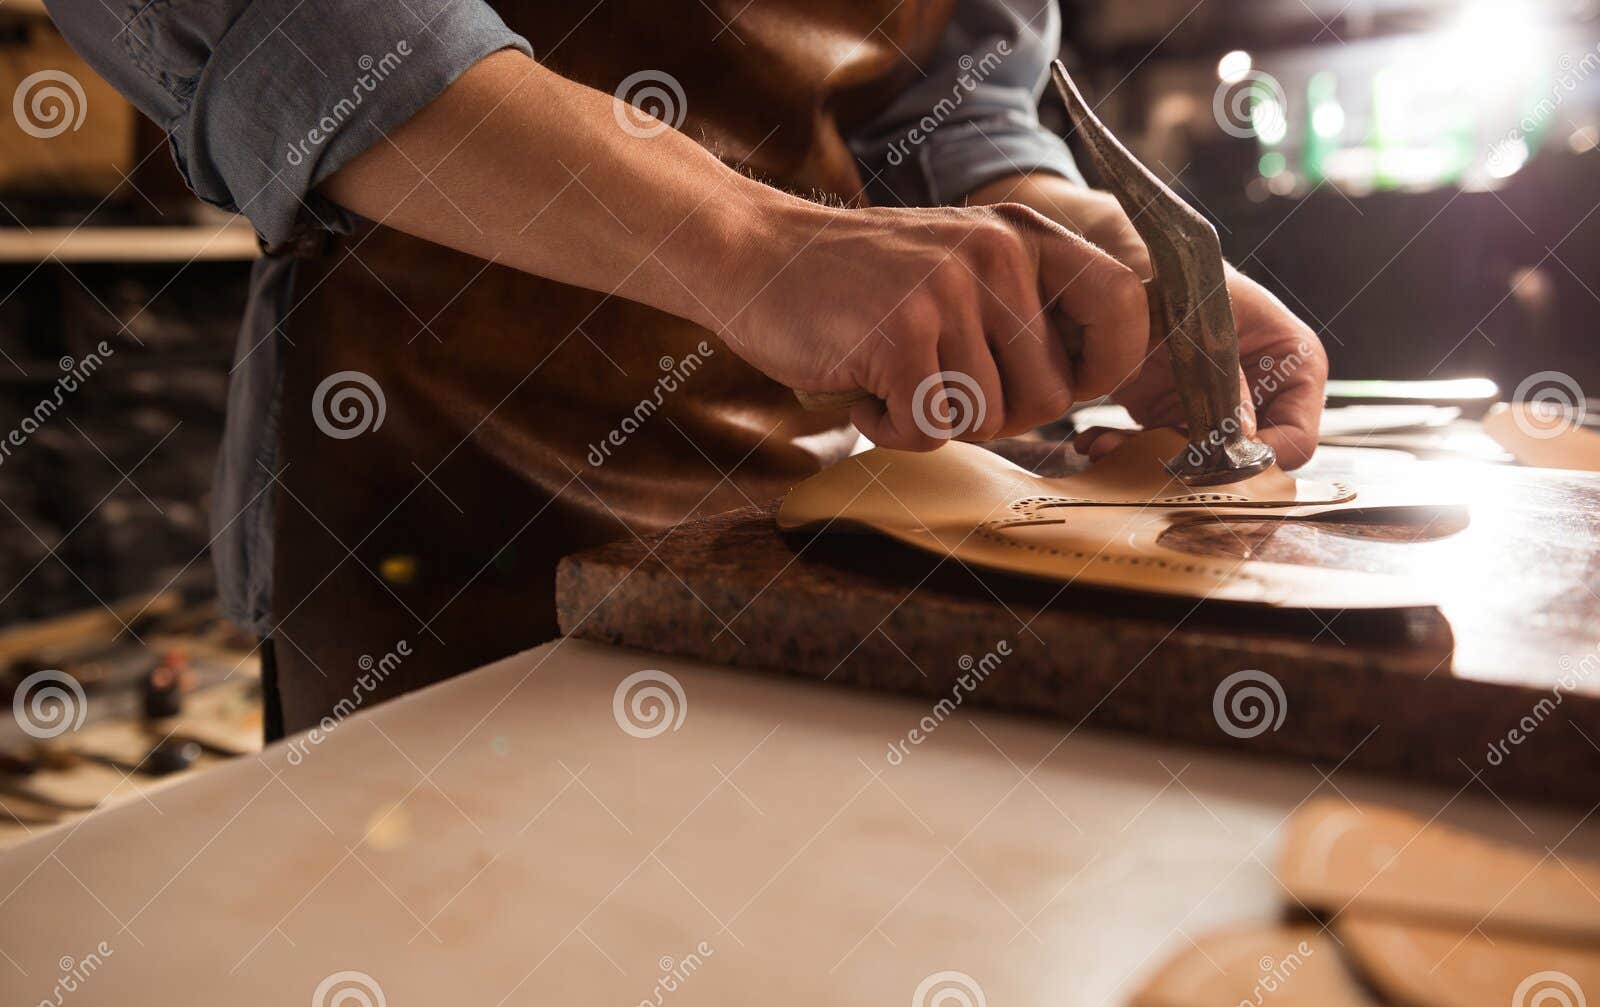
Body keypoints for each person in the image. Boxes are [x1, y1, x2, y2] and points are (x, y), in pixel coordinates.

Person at [45, 1, 1326, 737]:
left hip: (818, 538)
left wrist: (1069, 231)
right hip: (440, 530)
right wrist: (752, 245)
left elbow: (956, 98)